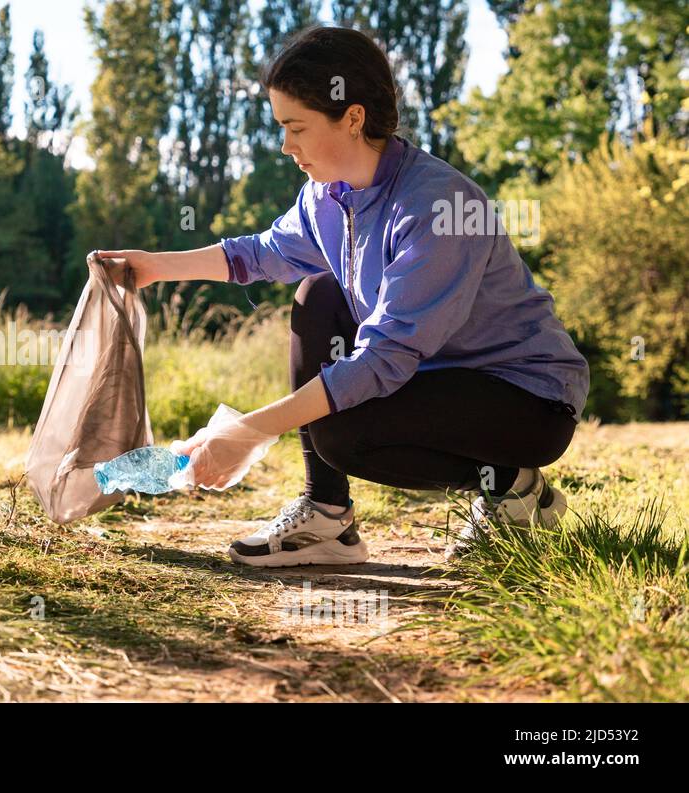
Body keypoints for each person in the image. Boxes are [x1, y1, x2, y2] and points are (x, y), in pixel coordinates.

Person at [97, 25, 590, 566]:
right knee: (319, 295)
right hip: (432, 381)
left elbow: (382, 360)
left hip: (524, 400)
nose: (286, 146)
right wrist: (154, 268)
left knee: (344, 434)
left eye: (296, 128)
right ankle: (326, 518)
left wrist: (247, 432)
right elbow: (262, 253)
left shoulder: (438, 206)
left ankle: (513, 487)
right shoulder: (326, 196)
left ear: (353, 117)